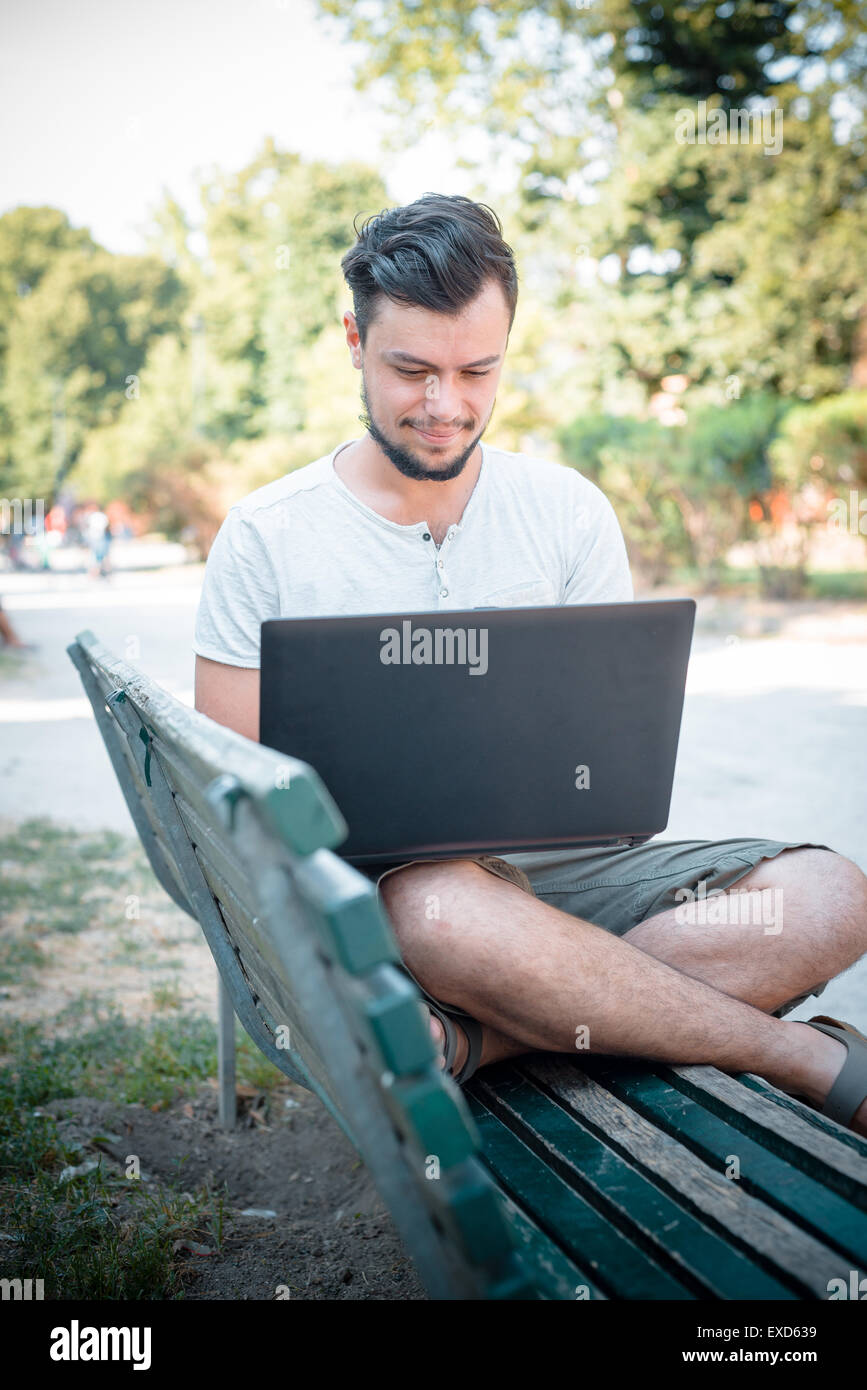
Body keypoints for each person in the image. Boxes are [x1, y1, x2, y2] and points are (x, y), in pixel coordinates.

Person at [193, 193, 867, 1136]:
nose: (445, 406)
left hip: (572, 884)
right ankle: (798, 1055)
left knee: (831, 896)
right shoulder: (269, 537)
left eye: (478, 369)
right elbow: (232, 803)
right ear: (354, 339)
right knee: (441, 911)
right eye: (411, 370)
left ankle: (487, 1038)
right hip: (407, 907)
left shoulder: (566, 511)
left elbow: (603, 753)